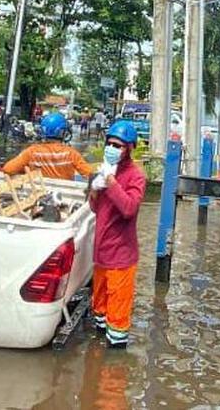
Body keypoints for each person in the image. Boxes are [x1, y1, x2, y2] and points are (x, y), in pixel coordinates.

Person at [88, 119, 146, 348]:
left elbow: (129, 208)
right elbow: (96, 209)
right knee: (100, 311)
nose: (112, 149)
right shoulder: (101, 171)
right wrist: (94, 190)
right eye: (110, 144)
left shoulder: (135, 175)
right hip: (101, 253)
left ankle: (113, 373)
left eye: (119, 146)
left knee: (118, 319)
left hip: (121, 256)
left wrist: (111, 183)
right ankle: (96, 361)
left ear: (129, 149)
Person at [2, 112, 94, 181]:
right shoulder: (71, 154)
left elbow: (7, 169)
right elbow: (90, 175)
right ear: (62, 132)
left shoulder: (31, 152)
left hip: (40, 194)